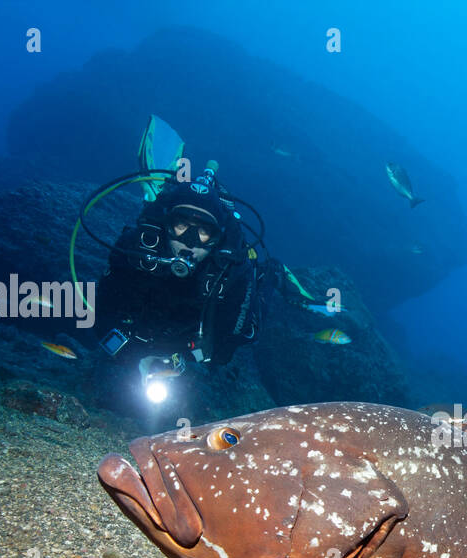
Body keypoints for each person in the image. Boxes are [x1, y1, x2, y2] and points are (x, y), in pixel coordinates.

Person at [90, 162, 314, 414]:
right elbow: (100, 311)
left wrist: (181, 359)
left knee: (249, 333)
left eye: (204, 232)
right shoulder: (137, 249)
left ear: (216, 239)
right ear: (167, 226)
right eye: (182, 226)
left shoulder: (228, 271)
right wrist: (131, 355)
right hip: (156, 320)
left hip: (199, 325)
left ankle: (272, 273)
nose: (189, 242)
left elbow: (223, 347)